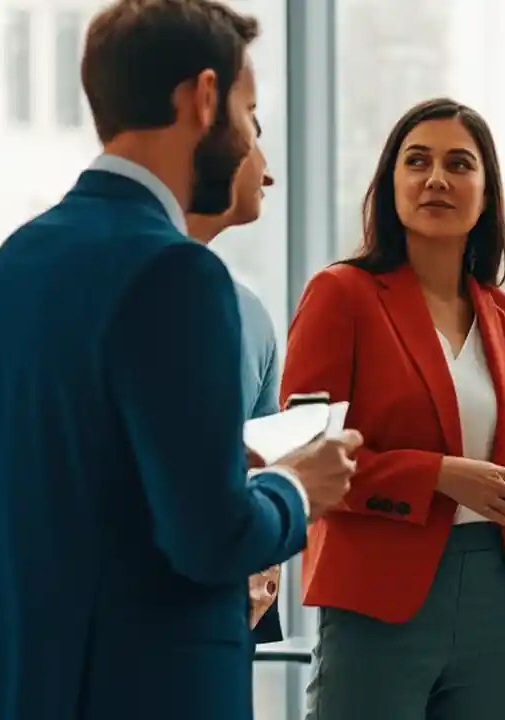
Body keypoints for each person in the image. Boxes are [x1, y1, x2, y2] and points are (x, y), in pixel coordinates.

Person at [0, 3, 360, 719]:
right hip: (141, 686)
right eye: (246, 106)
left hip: (9, 682)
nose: (246, 132)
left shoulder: (15, 260)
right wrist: (298, 488)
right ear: (202, 97)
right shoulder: (179, 274)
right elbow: (211, 538)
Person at [282, 97, 505, 720]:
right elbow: (302, 458)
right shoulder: (341, 295)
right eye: (417, 162)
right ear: (392, 184)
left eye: (460, 164)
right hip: (376, 593)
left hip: (496, 599)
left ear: (486, 195)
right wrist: (438, 475)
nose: (436, 178)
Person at [186, 136, 286, 644]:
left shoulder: (252, 314)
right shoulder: (113, 286)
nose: (268, 172)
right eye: (252, 134)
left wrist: (262, 569)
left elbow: (262, 463)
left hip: (229, 613)